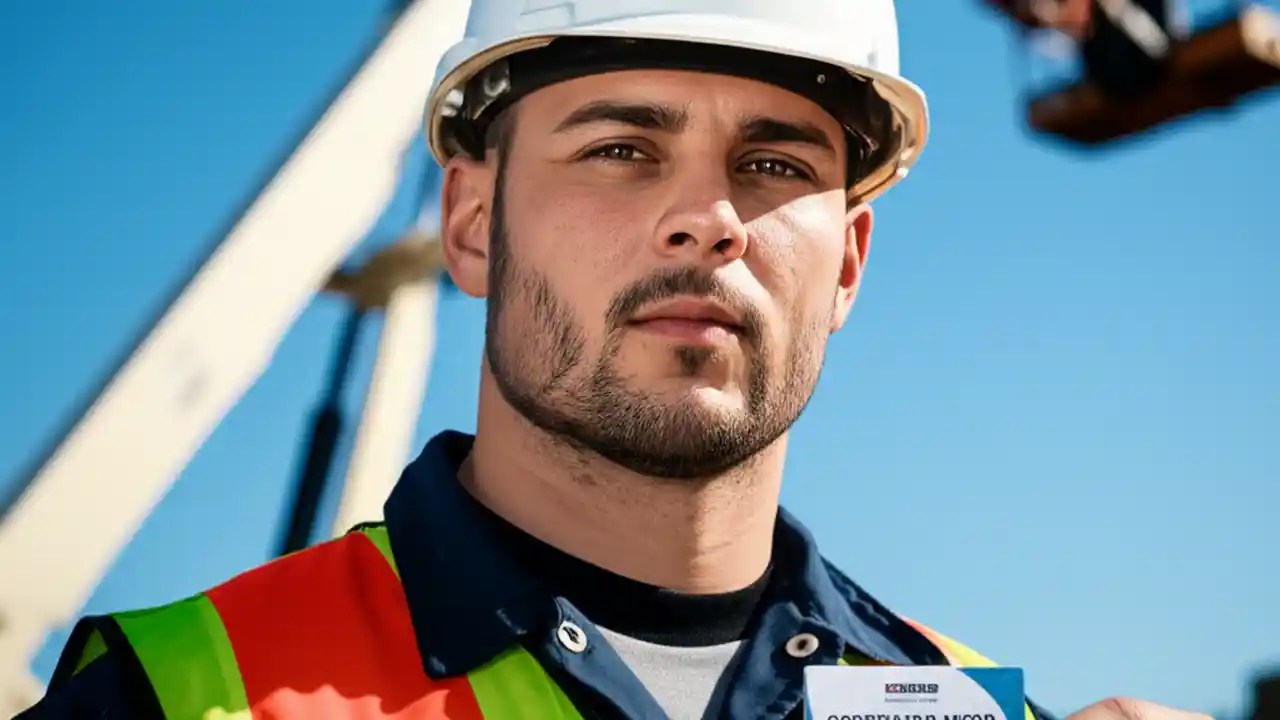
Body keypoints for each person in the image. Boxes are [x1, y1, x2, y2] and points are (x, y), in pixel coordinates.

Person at [19, 1, 1211, 719]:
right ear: (474, 225)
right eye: (621, 148)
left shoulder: (947, 699)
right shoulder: (183, 697)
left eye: (778, 163)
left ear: (846, 263)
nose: (708, 217)